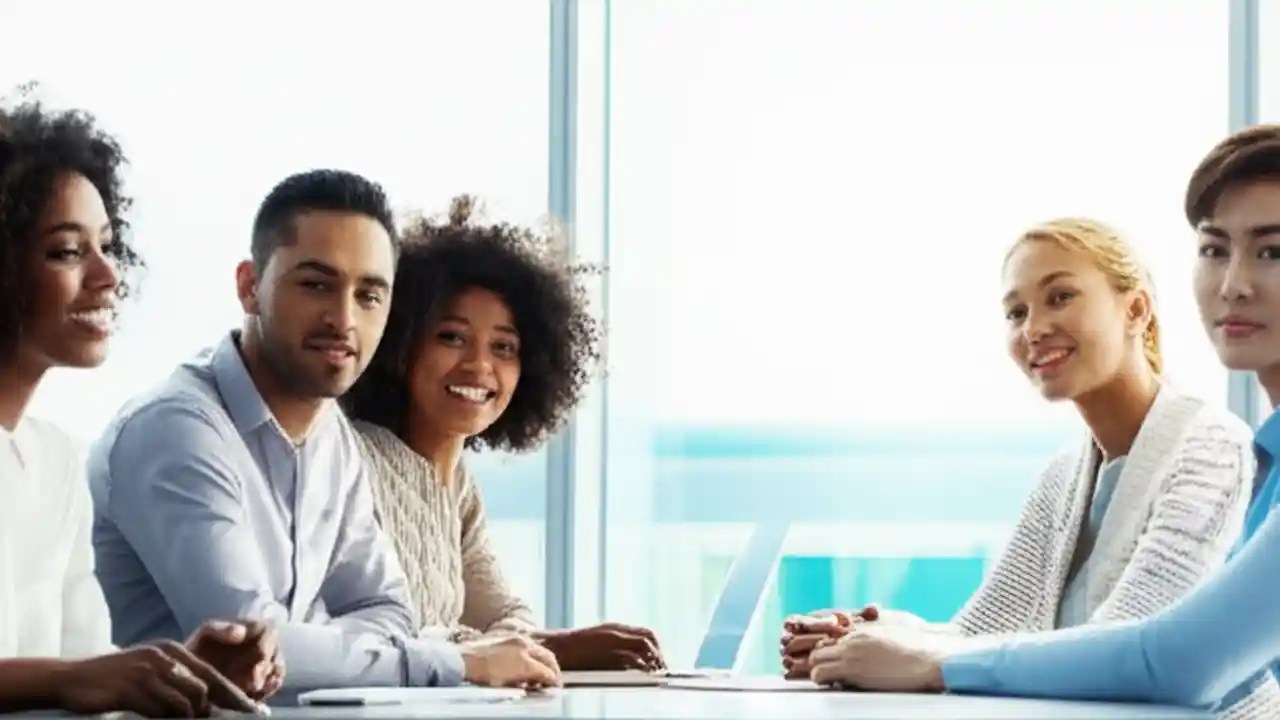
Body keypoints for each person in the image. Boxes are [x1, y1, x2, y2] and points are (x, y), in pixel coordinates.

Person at [800, 125, 1280, 718]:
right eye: (1213, 250)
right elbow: (990, 630)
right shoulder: (1072, 475)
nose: (1233, 286)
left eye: (1272, 251)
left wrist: (929, 662)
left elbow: (1162, 656)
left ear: (1137, 309)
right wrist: (883, 639)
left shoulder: (1215, 447)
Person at [89, 172, 562, 693]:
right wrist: (452, 662)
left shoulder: (330, 435)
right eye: (316, 285)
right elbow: (247, 644)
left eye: (369, 295)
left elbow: (388, 611)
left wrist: (315, 645)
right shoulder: (176, 431)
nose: (344, 319)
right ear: (249, 286)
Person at [0, 90, 277, 717]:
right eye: (67, 252)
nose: (108, 276)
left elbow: (83, 674)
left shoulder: (56, 460)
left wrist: (183, 670)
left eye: (107, 245)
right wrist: (73, 680)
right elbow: (70, 679)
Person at [341, 196, 665, 671]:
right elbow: (391, 634)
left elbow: (505, 617)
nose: (479, 365)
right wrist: (551, 648)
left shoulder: (459, 489)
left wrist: (539, 645)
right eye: (452, 337)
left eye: (504, 347)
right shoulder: (353, 457)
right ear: (400, 343)